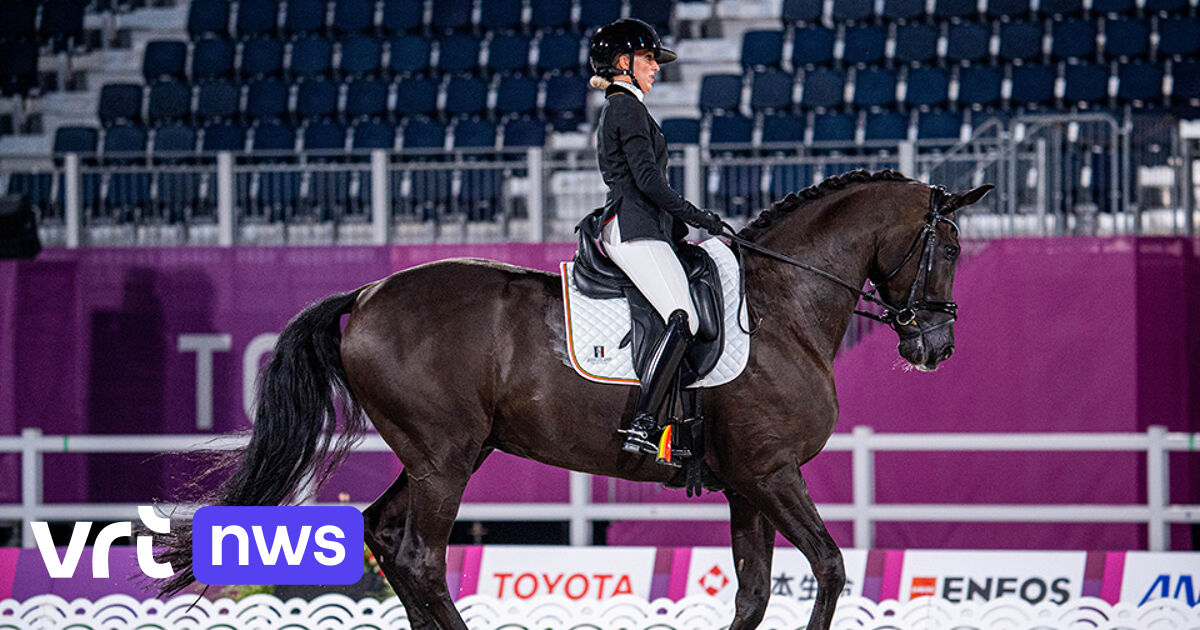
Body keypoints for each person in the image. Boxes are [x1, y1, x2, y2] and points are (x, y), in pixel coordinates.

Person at [588, 18, 725, 456]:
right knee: (682, 316)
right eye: (648, 59)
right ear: (624, 63)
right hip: (634, 226)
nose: (656, 67)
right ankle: (643, 424)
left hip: (644, 224)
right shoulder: (625, 108)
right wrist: (698, 216)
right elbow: (648, 181)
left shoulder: (626, 107)